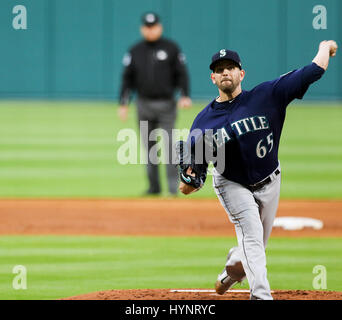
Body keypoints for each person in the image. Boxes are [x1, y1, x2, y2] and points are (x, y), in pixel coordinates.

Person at [178, 40, 338, 300]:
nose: (225, 72)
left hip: (270, 180)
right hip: (231, 184)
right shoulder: (204, 122)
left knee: (252, 250)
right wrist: (188, 179)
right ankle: (261, 295)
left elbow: (313, 70)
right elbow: (188, 186)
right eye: (219, 69)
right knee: (251, 237)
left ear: (242, 73)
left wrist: (324, 46)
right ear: (213, 78)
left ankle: (230, 274)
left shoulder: (268, 95)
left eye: (230, 67)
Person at [118, 12, 192, 196]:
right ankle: (154, 188)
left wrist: (184, 95)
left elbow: (181, 73)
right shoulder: (135, 51)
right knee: (149, 149)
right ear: (142, 28)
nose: (150, 30)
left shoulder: (171, 48)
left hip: (167, 104)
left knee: (169, 148)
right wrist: (123, 103)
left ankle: (173, 189)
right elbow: (127, 79)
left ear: (160, 27)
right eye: (147, 27)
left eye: (154, 26)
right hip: (143, 104)